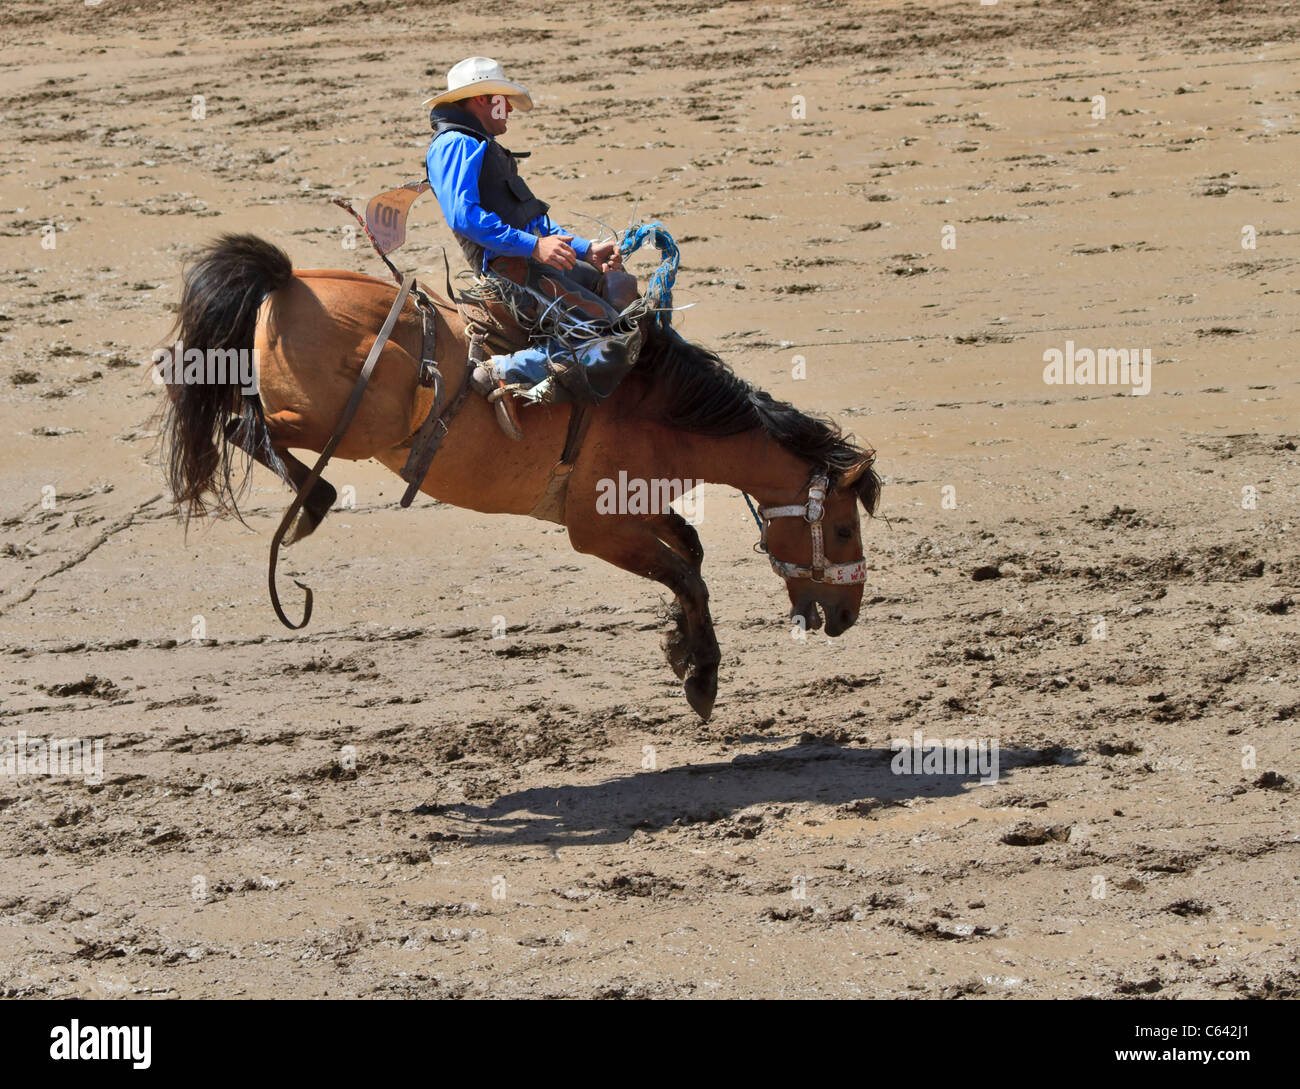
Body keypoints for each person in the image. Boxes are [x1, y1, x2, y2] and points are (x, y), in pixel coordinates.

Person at [422, 56, 640, 405]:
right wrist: (533, 248)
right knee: (609, 340)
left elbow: (531, 218)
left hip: (527, 260)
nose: (508, 108)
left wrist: (585, 249)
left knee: (623, 293)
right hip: (509, 272)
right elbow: (464, 217)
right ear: (482, 99)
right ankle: (503, 370)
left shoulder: (482, 145)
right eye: (502, 100)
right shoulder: (454, 144)